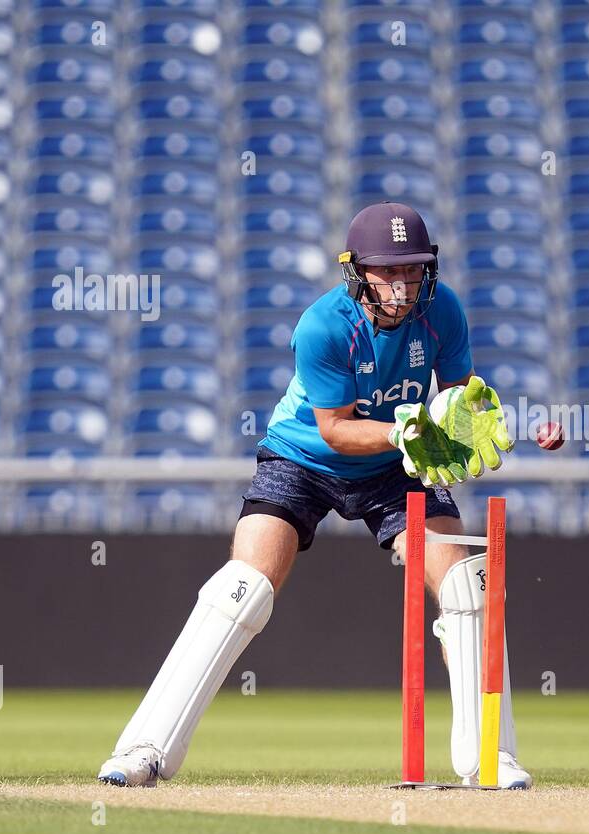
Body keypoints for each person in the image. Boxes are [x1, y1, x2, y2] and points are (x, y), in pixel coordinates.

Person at [97, 201, 529, 789]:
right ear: (357, 272)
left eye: (412, 270)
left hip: (396, 466)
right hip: (303, 456)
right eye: (386, 271)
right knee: (241, 589)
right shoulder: (323, 325)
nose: (401, 287)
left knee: (465, 584)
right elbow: (333, 428)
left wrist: (474, 427)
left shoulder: (444, 310)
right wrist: (405, 430)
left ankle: (490, 756)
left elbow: (458, 401)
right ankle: (143, 750)